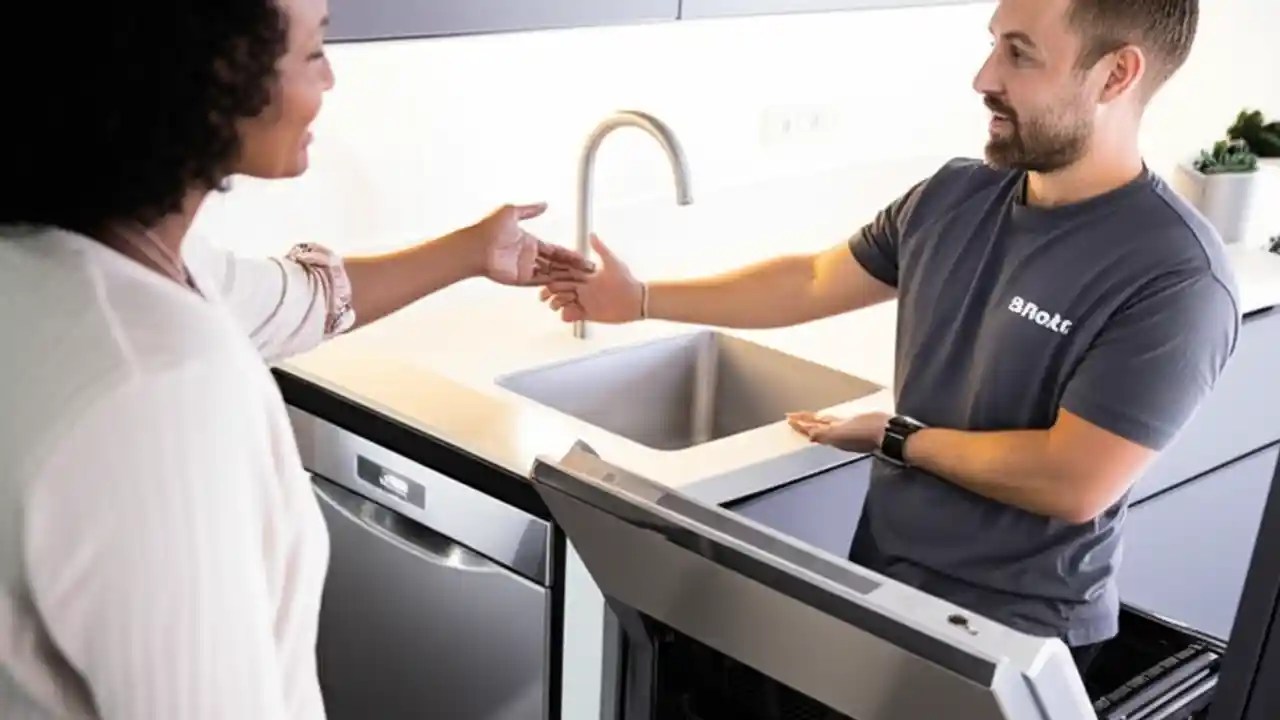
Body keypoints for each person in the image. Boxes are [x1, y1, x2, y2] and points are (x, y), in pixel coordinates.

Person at [542, 0, 1239, 672]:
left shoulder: (1176, 275)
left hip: (1018, 635)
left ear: (1116, 75)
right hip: (885, 590)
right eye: (994, 41)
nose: (984, 77)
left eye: (1020, 54)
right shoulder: (956, 195)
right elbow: (814, 278)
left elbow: (1070, 480)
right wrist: (637, 300)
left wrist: (896, 436)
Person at [0, 0, 590, 718]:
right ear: (216, 75)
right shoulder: (163, 387)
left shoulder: (67, 264)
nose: (331, 77)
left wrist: (472, 251)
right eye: (314, 51)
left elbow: (298, 300)